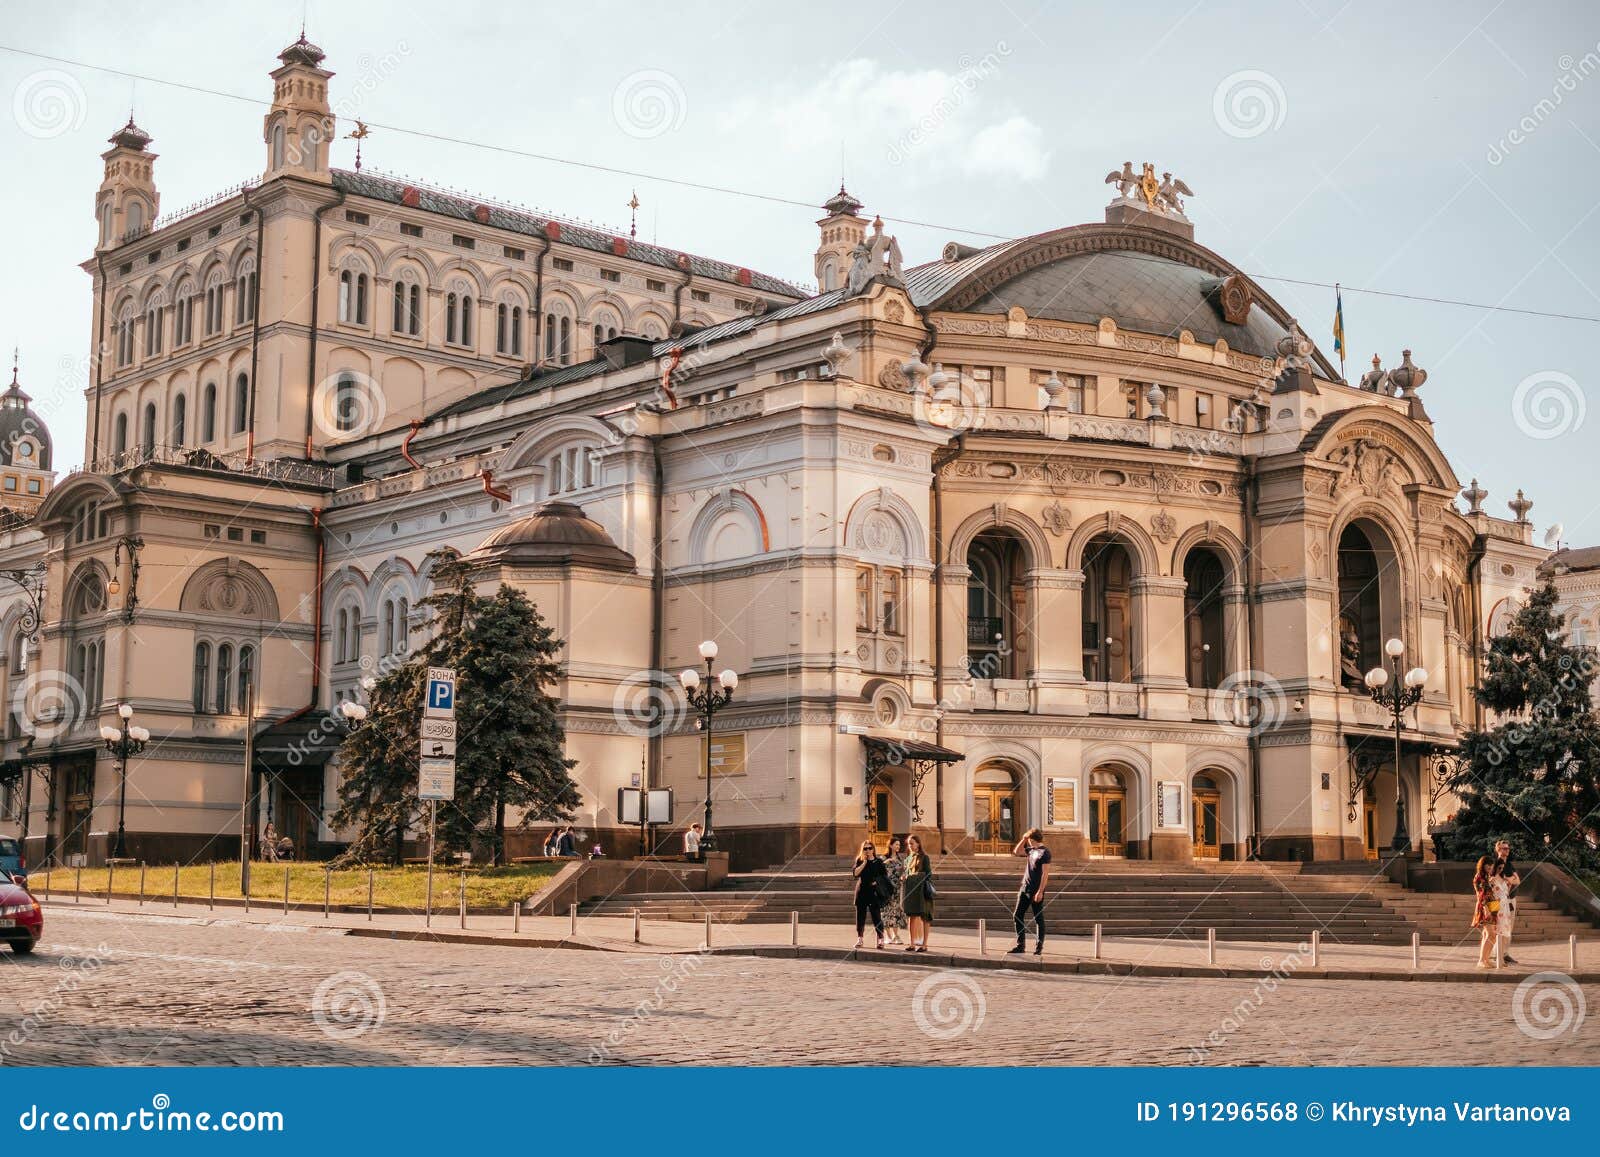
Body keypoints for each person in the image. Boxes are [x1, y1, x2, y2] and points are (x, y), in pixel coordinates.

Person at [1009, 827, 1051, 955]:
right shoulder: (1032, 850)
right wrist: (1023, 839)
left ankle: (1039, 947)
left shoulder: (1045, 853)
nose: (1028, 842)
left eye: (1029, 840)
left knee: (1038, 918)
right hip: (1025, 887)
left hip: (1036, 890)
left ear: (1033, 840)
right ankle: (1020, 945)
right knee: (1017, 915)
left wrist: (1040, 891)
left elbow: (1045, 874)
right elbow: (1016, 851)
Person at [851, 841, 888, 949]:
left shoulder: (879, 862)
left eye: (869, 848)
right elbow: (855, 874)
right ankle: (860, 939)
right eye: (865, 849)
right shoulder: (860, 860)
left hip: (874, 892)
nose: (867, 850)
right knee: (860, 917)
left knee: (876, 917)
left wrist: (877, 882)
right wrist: (864, 863)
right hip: (861, 892)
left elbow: (885, 877)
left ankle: (881, 939)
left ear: (873, 849)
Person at [901, 834, 934, 952]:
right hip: (911, 891)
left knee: (925, 917)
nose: (910, 846)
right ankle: (912, 943)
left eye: (912, 843)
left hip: (922, 891)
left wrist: (912, 877)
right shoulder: (908, 858)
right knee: (911, 917)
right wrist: (904, 877)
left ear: (918, 844)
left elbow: (929, 874)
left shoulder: (924, 857)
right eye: (909, 844)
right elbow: (906, 873)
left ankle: (924, 944)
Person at [1492, 840, 1522, 963]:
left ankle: (1505, 953)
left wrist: (1508, 879)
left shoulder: (1509, 865)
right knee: (1497, 927)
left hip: (1510, 900)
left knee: (1508, 927)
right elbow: (1495, 880)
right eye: (1504, 848)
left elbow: (1518, 881)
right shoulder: (1494, 864)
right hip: (1497, 901)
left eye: (1508, 848)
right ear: (1498, 850)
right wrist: (1509, 879)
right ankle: (1495, 953)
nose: (1507, 851)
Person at [1472, 854, 1502, 969]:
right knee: (1491, 934)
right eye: (1488, 865)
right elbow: (1480, 894)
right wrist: (1485, 908)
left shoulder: (1487, 876)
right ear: (1483, 865)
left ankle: (1485, 959)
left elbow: (1490, 892)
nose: (1490, 867)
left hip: (1492, 905)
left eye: (1491, 865)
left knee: (1488, 934)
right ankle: (1481, 960)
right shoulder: (1479, 876)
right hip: (1486, 906)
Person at [880, 836, 908, 945]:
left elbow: (904, 870)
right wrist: (887, 861)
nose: (898, 846)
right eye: (896, 844)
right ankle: (888, 936)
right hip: (886, 889)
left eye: (899, 845)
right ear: (890, 845)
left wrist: (904, 876)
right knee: (887, 912)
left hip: (897, 888)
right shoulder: (883, 858)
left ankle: (896, 936)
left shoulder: (900, 858)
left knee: (896, 912)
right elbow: (878, 870)